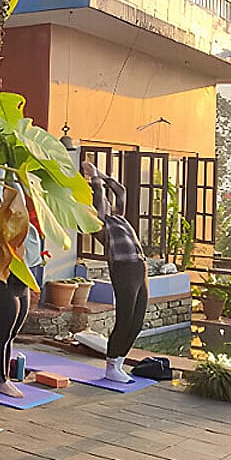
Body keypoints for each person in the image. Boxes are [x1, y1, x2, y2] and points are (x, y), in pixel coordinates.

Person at [82, 161, 147, 384]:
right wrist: (94, 179)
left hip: (140, 267)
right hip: (124, 270)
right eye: (104, 203)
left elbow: (121, 190)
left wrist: (100, 172)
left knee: (137, 321)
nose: (109, 204)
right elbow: (99, 196)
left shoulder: (119, 217)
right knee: (125, 318)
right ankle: (111, 364)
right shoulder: (99, 224)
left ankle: (119, 362)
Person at [0, 173, 43, 398]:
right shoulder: (4, 220)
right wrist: (3, 169)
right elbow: (0, 189)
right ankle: (1, 380)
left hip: (22, 284)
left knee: (11, 335)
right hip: (3, 283)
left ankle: (6, 375)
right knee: (2, 334)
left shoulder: (29, 221)